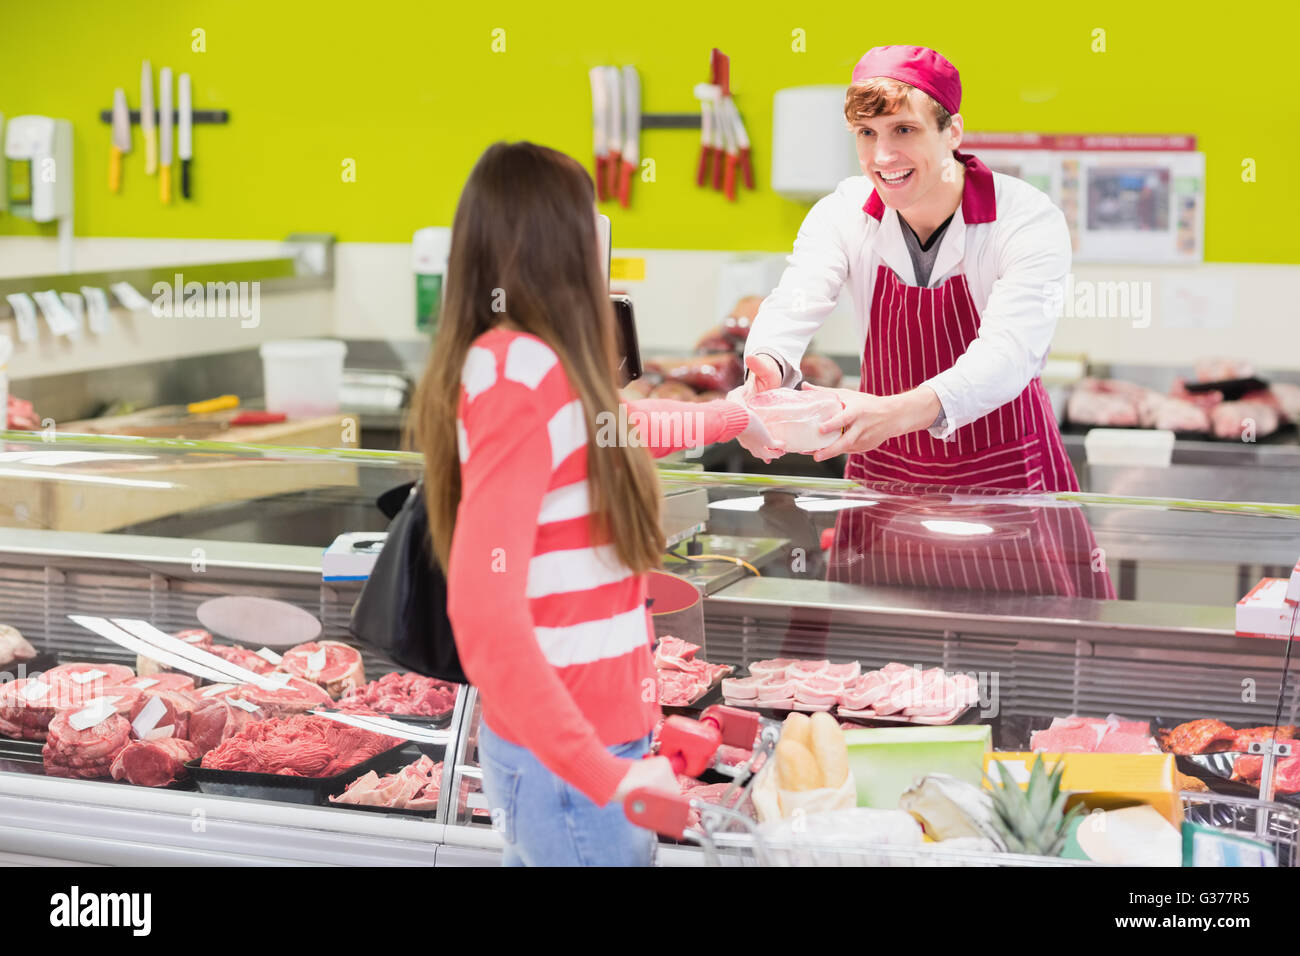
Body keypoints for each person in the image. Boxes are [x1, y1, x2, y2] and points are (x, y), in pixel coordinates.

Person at [408, 141, 781, 866]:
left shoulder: (520, 360)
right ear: (557, 241)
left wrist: (736, 417)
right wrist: (605, 774)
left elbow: (611, 429)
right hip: (573, 766)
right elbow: (484, 616)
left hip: (578, 748)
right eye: (589, 222)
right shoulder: (521, 376)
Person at [740, 45, 1080, 495]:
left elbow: (1010, 353)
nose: (882, 156)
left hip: (1003, 473)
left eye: (904, 129)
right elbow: (796, 300)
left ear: (952, 131)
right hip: (884, 469)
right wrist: (768, 364)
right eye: (866, 132)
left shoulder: (1025, 219)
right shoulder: (841, 213)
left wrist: (893, 414)